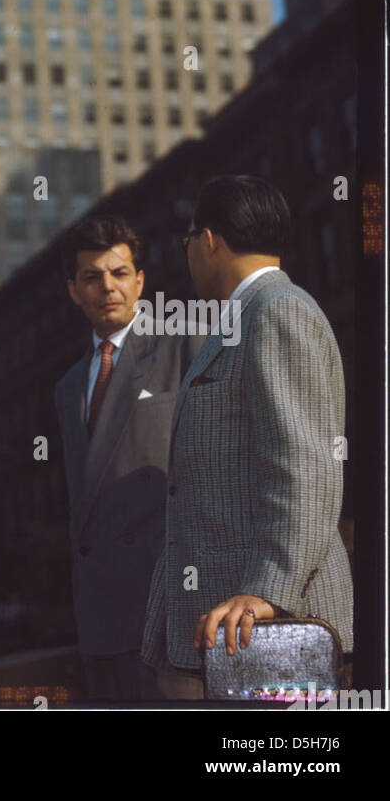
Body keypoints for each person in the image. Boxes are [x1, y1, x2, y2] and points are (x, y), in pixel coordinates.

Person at [142, 176, 353, 698]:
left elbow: (306, 466)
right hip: (221, 630)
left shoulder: (276, 312)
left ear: (209, 240)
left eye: (189, 240)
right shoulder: (244, 317)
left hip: (266, 633)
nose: (190, 252)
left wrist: (267, 591)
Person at [55, 214, 203, 701]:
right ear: (74, 290)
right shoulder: (68, 386)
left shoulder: (187, 346)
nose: (107, 287)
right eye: (92, 277)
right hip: (98, 622)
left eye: (119, 273)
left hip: (170, 613)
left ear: (140, 281)